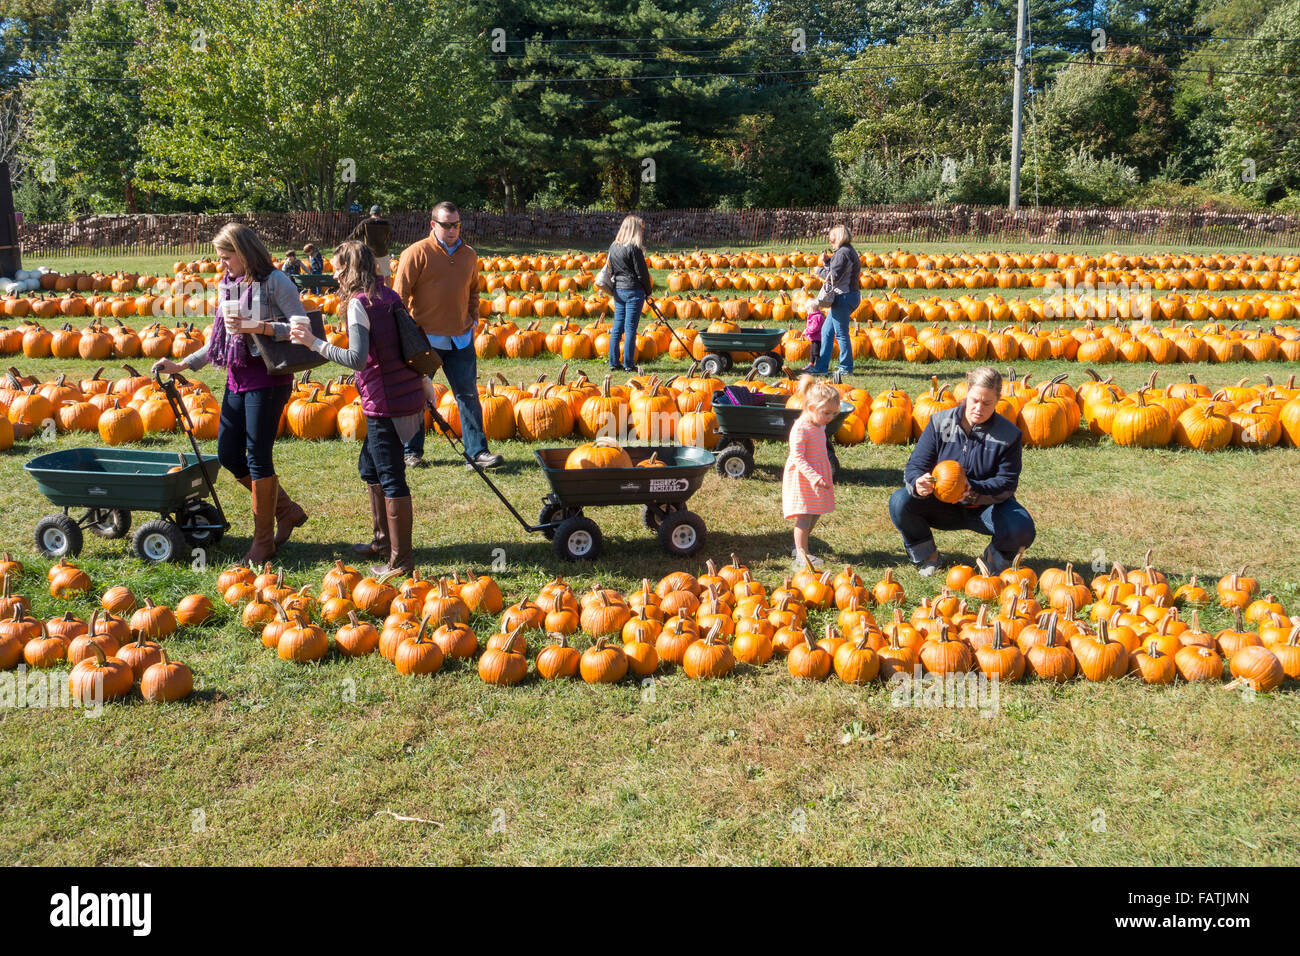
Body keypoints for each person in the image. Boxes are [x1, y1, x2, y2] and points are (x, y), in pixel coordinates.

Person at [152, 223, 309, 563]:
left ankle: (263, 542)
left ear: (244, 253)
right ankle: (286, 511)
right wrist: (182, 365)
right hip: (237, 379)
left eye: (226, 258)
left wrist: (260, 327)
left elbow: (301, 327)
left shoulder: (275, 282)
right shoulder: (227, 285)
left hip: (268, 380)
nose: (222, 265)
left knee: (257, 457)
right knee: (228, 455)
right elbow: (217, 342)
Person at [291, 240, 427, 574]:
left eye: (337, 267)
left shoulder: (359, 304)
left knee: (393, 478)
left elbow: (357, 358)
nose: (333, 272)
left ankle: (401, 561)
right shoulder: (389, 295)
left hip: (386, 403)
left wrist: (314, 343)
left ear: (350, 269)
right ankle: (383, 540)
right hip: (403, 393)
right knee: (370, 467)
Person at [889, 366, 1035, 577]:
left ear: (997, 401)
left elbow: (1007, 482)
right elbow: (916, 465)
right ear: (967, 392)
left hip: (986, 506)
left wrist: (973, 489)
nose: (979, 408)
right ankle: (929, 556)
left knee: (1021, 528)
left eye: (987, 403)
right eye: (975, 400)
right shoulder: (940, 423)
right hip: (941, 503)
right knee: (899, 502)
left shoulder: (1008, 435)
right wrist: (917, 483)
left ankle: (995, 557)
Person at [392, 200, 503, 471]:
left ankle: (478, 453)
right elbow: (399, 296)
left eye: (456, 225)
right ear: (433, 224)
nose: (452, 230)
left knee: (467, 395)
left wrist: (474, 316)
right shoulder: (416, 253)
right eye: (446, 225)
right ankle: (411, 452)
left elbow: (474, 290)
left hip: (461, 338)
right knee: (417, 395)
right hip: (425, 340)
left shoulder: (469, 254)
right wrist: (405, 333)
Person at [783, 375, 840, 569]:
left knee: (815, 513)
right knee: (805, 516)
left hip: (817, 474)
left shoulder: (819, 423)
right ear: (811, 409)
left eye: (833, 413)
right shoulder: (801, 429)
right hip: (804, 477)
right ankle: (802, 554)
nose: (830, 418)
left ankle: (799, 544)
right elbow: (798, 457)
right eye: (827, 413)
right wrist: (815, 477)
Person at [808, 225, 861, 377]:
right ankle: (821, 367)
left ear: (838, 237)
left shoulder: (843, 252)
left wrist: (818, 270)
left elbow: (834, 276)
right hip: (849, 295)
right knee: (826, 331)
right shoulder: (846, 250)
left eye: (832, 239)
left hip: (844, 296)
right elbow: (836, 269)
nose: (831, 242)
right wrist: (826, 262)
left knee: (841, 334)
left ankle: (845, 368)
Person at [604, 214, 653, 372]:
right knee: (631, 328)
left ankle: (613, 362)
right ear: (634, 230)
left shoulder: (613, 247)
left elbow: (611, 270)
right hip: (633, 290)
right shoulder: (634, 248)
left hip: (618, 289)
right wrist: (648, 291)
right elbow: (642, 274)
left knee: (617, 327)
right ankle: (628, 363)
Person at [349, 205, 392, 279]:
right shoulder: (386, 224)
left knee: (368, 274)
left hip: (369, 253)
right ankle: (387, 289)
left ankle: (369, 289)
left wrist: (347, 242)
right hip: (383, 252)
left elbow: (355, 235)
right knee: (386, 274)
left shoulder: (365, 223)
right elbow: (388, 236)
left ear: (371, 213)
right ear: (380, 213)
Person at [798, 307, 825, 374]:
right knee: (812, 352)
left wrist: (806, 331)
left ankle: (819, 366)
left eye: (807, 309)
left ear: (812, 309)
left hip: (818, 338)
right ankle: (811, 364)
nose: (807, 311)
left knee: (816, 352)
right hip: (814, 338)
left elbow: (814, 327)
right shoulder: (814, 316)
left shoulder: (817, 317)